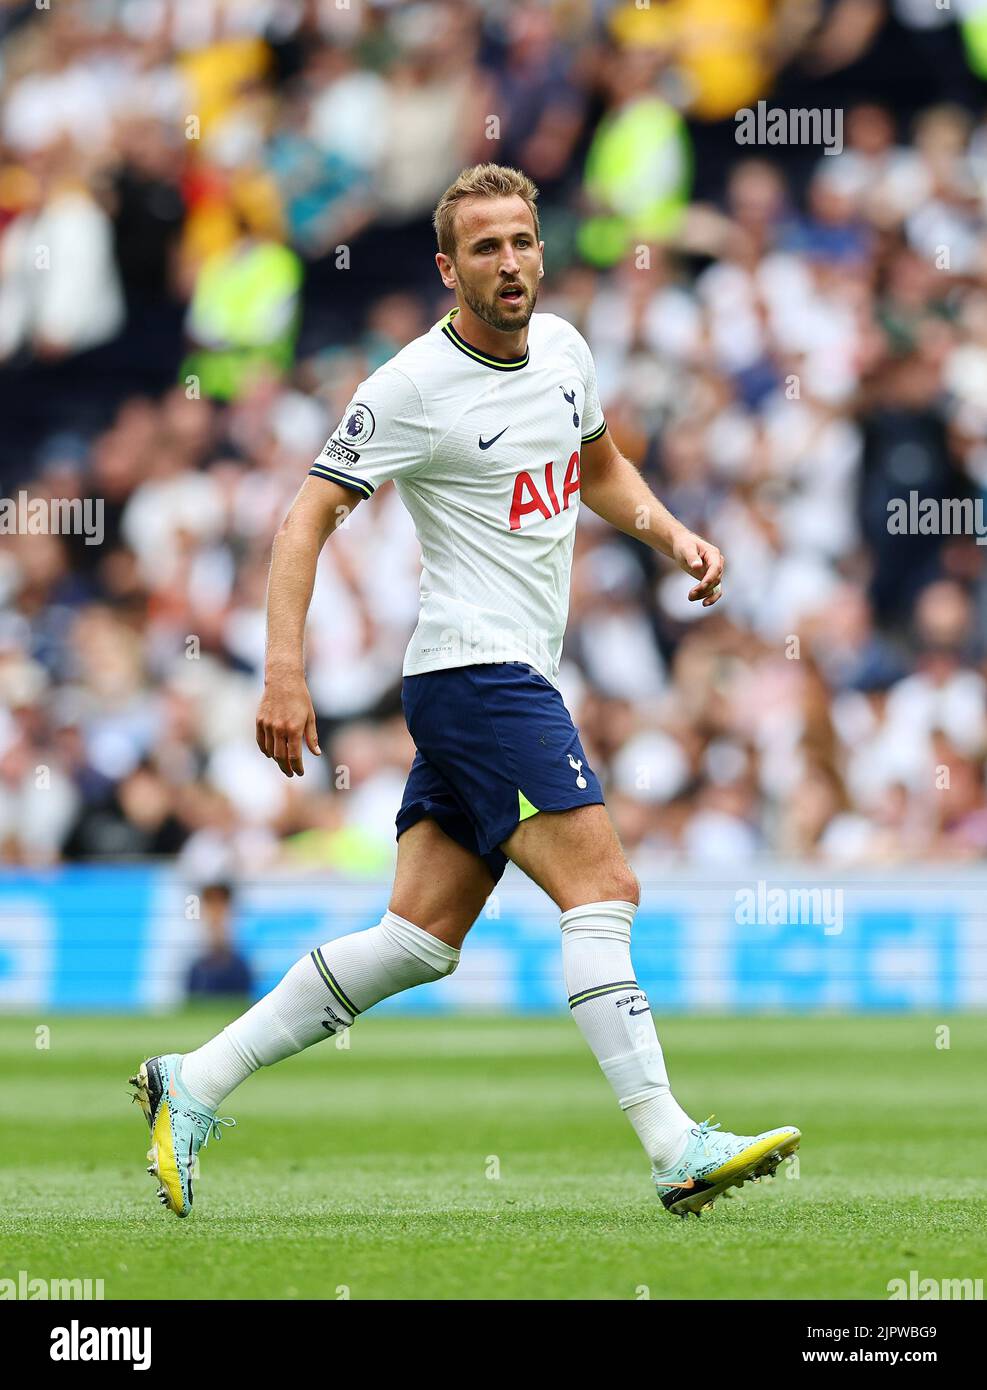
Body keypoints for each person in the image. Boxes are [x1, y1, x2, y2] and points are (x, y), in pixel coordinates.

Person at [130, 164, 798, 1219]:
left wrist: (671, 533)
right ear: (449, 268)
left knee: (418, 939)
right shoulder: (408, 388)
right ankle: (672, 1143)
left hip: (506, 674)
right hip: (473, 673)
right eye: (486, 248)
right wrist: (285, 672)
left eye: (524, 241)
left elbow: (600, 463)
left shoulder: (568, 352)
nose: (513, 262)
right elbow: (304, 518)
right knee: (604, 890)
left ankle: (193, 1080)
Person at [185, 882, 254, 1001]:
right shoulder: (196, 964)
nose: (215, 908)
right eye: (210, 902)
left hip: (232, 965)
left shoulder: (239, 961)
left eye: (219, 902)